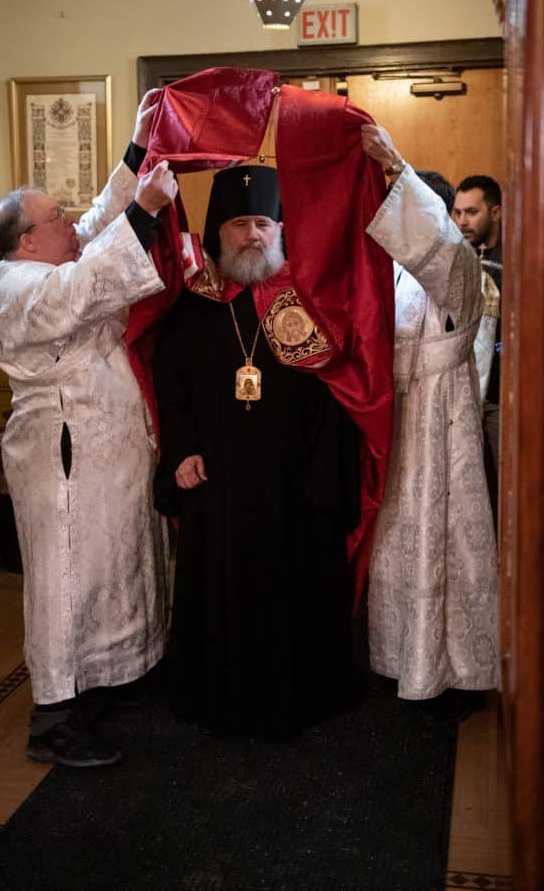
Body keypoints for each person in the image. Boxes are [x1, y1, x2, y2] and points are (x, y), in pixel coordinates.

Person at [0, 91, 178, 767]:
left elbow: (100, 227)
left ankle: (113, 674)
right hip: (63, 455)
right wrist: (148, 214)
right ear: (27, 240)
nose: (72, 222)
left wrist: (137, 150)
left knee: (115, 567)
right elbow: (83, 288)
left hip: (103, 451)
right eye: (56, 217)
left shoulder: (55, 258)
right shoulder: (22, 287)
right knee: (68, 582)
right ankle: (56, 718)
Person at [153, 165, 364, 738]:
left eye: (263, 223)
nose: (252, 235)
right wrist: (182, 452)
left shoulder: (308, 302)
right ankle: (216, 695)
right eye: (240, 224)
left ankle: (307, 695)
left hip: (294, 485)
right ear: (218, 234)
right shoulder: (191, 309)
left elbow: (336, 396)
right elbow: (169, 391)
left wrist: (323, 478)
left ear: (281, 229)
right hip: (217, 485)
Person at [362, 128, 499, 724]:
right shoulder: (391, 277)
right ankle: (398, 660)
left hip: (444, 426)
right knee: (397, 547)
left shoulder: (461, 269)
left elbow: (446, 258)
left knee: (448, 545)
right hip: (399, 423)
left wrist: (396, 168)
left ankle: (457, 670)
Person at [452, 175, 503, 518]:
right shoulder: (452, 259)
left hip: (502, 397)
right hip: (458, 397)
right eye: (456, 213)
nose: (462, 222)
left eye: (471, 212)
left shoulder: (520, 259)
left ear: (496, 212)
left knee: (503, 486)